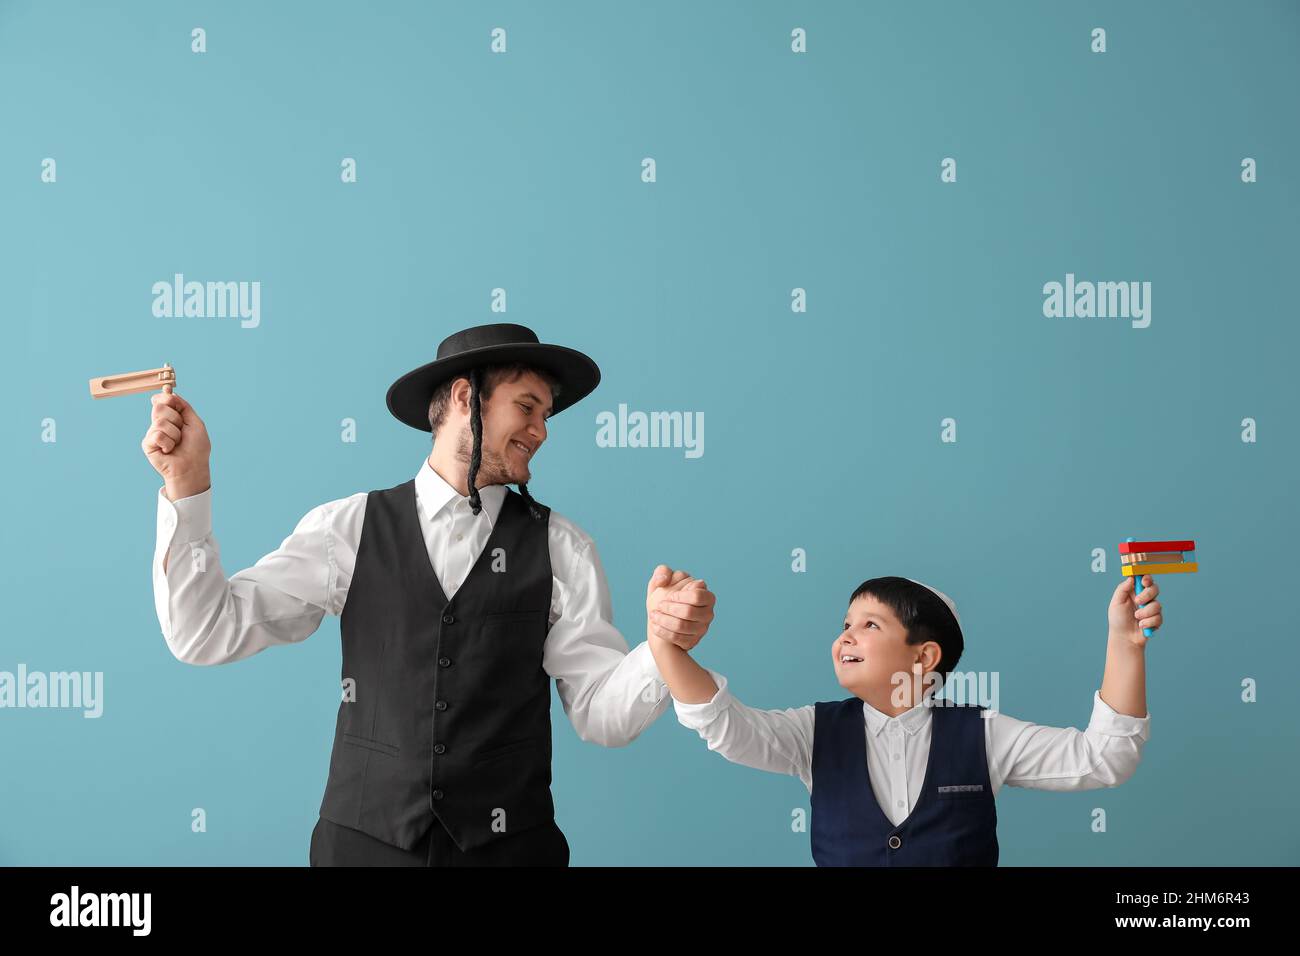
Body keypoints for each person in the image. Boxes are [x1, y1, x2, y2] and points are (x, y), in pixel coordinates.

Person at [144, 322, 716, 866]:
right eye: (527, 407)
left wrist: (660, 649)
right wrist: (187, 485)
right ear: (467, 398)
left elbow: (601, 716)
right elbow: (204, 632)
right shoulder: (346, 528)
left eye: (547, 414)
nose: (542, 431)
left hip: (512, 855)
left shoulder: (564, 547)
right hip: (361, 851)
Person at [647, 574, 1156, 865]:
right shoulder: (812, 733)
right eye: (845, 624)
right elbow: (726, 727)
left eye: (870, 625)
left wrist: (1125, 644)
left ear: (925, 657)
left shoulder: (983, 734)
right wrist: (664, 647)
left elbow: (1104, 758)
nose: (846, 636)